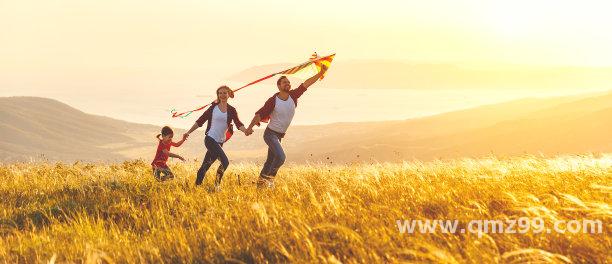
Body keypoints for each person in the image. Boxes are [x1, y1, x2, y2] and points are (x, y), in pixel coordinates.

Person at [246, 64, 329, 188]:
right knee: (281, 157)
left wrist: (320, 73)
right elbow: (260, 114)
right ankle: (269, 181)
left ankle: (260, 185)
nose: (287, 84)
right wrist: (250, 127)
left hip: (279, 136)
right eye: (284, 82)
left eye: (288, 82)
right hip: (270, 134)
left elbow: (307, 83)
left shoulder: (294, 95)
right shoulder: (273, 100)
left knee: (270, 161)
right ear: (279, 86)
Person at [184, 85, 251, 191]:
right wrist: (188, 132)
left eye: (225, 93)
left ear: (228, 94)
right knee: (225, 162)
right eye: (220, 93)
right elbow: (200, 121)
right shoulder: (213, 108)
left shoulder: (232, 110)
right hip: (210, 139)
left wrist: (246, 131)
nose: (222, 95)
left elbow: (238, 124)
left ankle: (196, 187)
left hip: (219, 142)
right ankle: (216, 185)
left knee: (206, 165)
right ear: (218, 95)